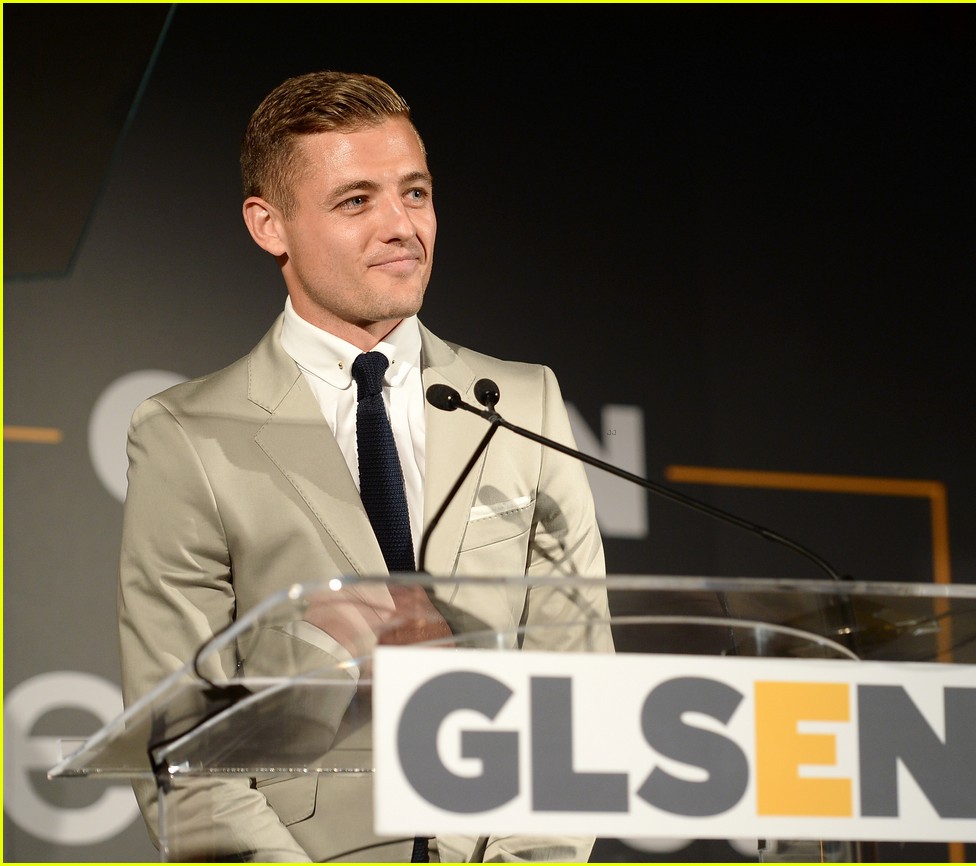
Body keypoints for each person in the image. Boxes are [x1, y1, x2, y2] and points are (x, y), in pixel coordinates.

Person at [118, 70, 611, 862]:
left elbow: (574, 684)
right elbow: (180, 739)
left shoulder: (524, 404)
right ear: (268, 225)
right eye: (357, 202)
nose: (402, 227)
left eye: (415, 193)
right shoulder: (187, 435)